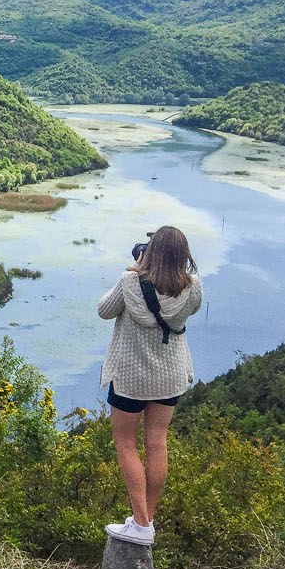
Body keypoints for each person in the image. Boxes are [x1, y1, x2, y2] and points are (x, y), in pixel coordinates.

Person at [96, 225, 202, 546]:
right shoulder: (193, 287)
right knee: (157, 443)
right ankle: (146, 521)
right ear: (183, 256)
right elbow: (184, 309)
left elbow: (103, 310)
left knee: (126, 444)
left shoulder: (131, 281)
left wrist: (138, 269)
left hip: (131, 378)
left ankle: (140, 524)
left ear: (151, 252)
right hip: (169, 377)